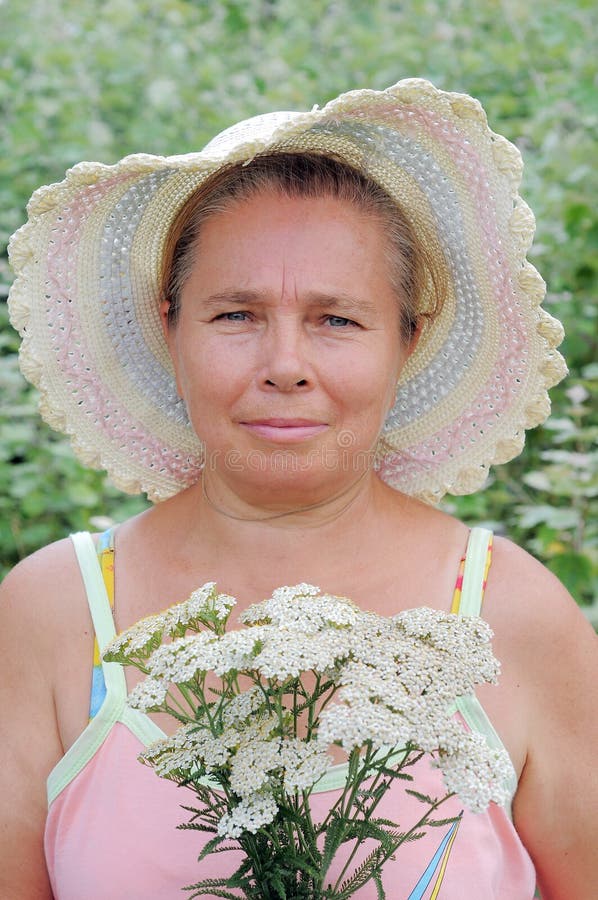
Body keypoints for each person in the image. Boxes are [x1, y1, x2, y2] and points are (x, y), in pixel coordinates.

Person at [1, 78, 596, 900]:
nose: (285, 365)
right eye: (235, 315)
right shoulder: (52, 614)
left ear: (407, 340)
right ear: (170, 327)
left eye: (337, 320)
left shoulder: (513, 617)